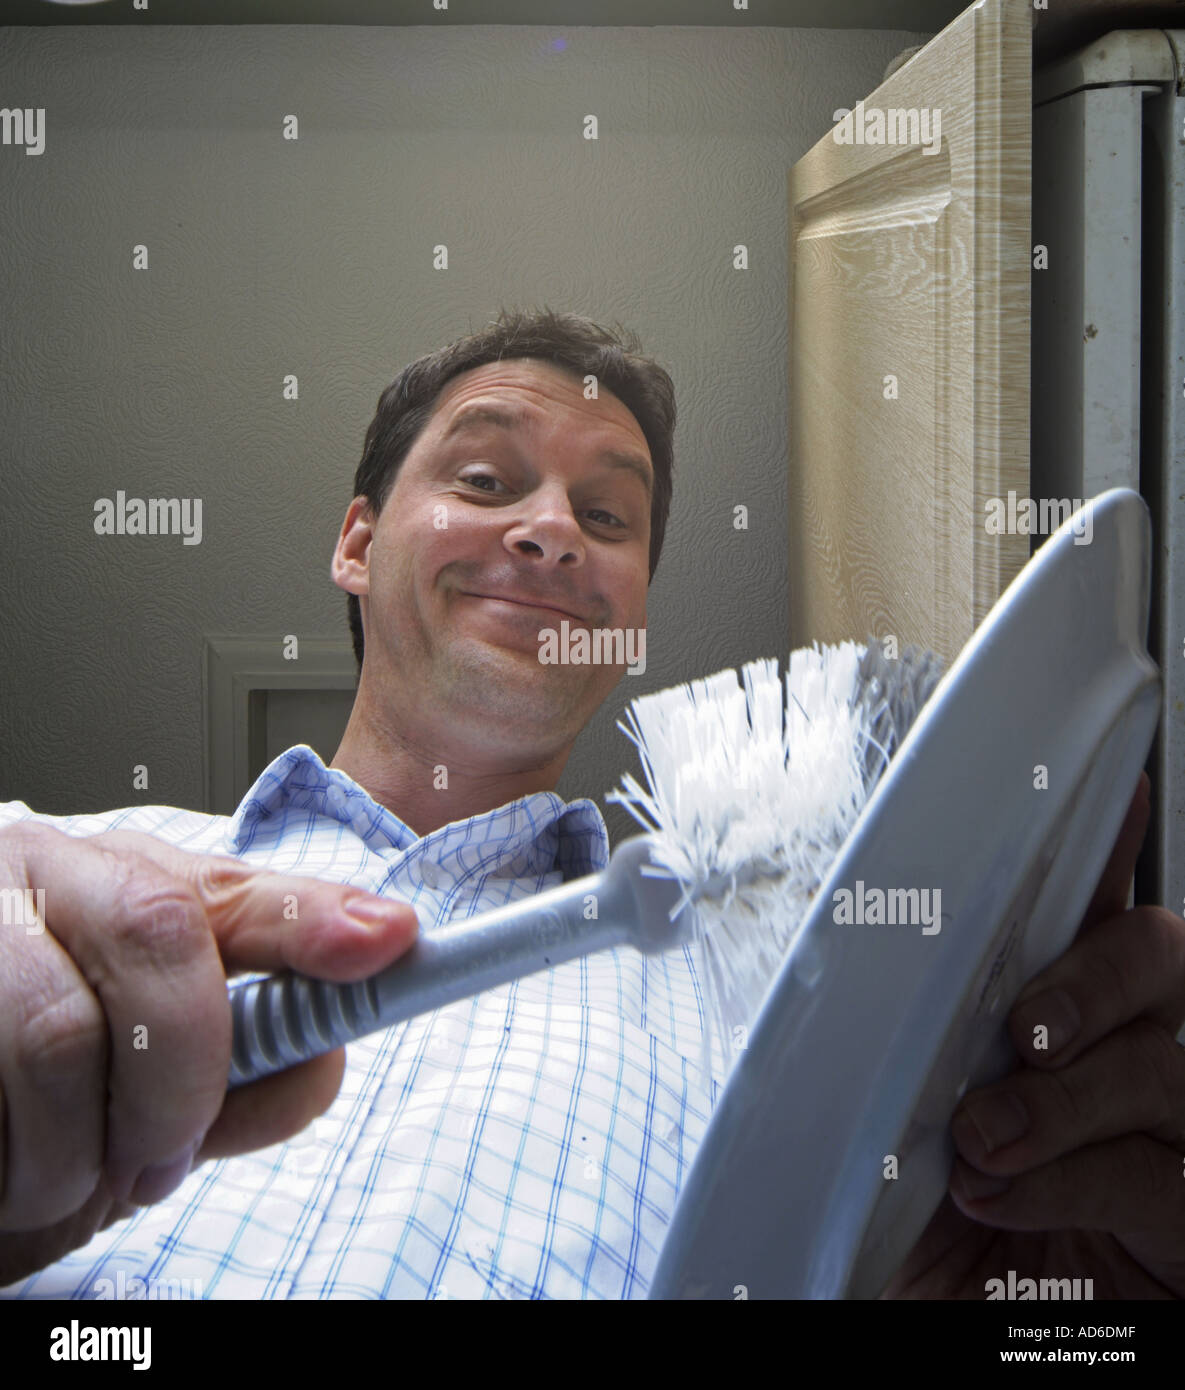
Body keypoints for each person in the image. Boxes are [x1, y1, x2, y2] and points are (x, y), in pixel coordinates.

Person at [1, 308, 1182, 1299]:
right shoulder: (55, 883)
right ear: (356, 542)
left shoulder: (772, 1024)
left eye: (608, 517)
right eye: (484, 478)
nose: (555, 531)